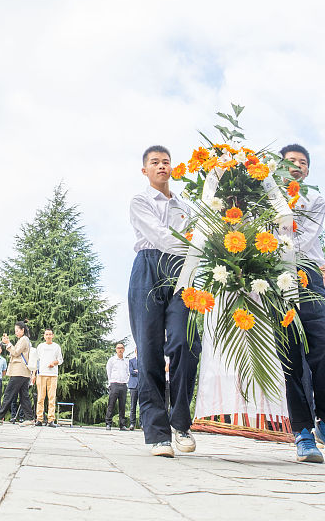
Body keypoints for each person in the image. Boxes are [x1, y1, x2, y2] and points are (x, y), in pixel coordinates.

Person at [279, 144, 325, 463]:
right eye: (290, 161)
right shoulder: (262, 198)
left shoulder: (314, 199)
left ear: (308, 170)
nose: (296, 165)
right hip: (272, 278)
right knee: (290, 357)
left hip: (307, 272)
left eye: (302, 162)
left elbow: (304, 236)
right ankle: (303, 433)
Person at [127, 145, 198, 458]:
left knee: (185, 342)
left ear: (173, 167)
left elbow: (201, 234)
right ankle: (157, 432)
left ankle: (181, 422)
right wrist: (189, 242)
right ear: (145, 170)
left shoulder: (187, 206)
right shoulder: (139, 201)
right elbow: (158, 236)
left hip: (183, 272)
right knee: (149, 349)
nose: (161, 166)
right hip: (148, 267)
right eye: (154, 162)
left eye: (165, 162)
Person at [0, 321, 32, 424]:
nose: (16, 333)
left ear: (23, 330)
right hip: (24, 372)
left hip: (19, 371)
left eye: (17, 331)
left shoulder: (23, 340)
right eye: (15, 331)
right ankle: (30, 418)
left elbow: (15, 352)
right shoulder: (24, 340)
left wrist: (8, 344)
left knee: (9, 394)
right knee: (24, 396)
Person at [34, 328, 63, 427]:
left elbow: (60, 360)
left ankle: (51, 420)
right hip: (41, 374)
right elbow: (36, 361)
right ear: (44, 336)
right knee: (40, 398)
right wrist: (34, 374)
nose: (48, 336)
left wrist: (54, 363)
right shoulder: (40, 346)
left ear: (53, 336)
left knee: (51, 398)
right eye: (46, 334)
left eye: (50, 334)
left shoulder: (56, 347)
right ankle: (39, 419)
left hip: (53, 375)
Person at [106, 342, 131, 430]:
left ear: (123, 350)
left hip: (123, 385)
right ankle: (108, 423)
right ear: (116, 350)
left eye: (121, 348)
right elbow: (108, 372)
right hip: (114, 384)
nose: (120, 349)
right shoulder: (112, 360)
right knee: (111, 404)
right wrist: (110, 382)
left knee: (122, 405)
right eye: (118, 348)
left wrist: (126, 381)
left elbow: (129, 372)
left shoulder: (126, 361)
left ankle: (122, 424)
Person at [127, 350, 140, 430]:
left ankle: (142, 424)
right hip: (133, 386)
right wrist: (139, 371)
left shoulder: (144, 360)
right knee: (133, 406)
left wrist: (137, 371)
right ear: (135, 351)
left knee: (142, 406)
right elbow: (131, 372)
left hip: (142, 385)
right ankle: (132, 424)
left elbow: (145, 371)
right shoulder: (131, 361)